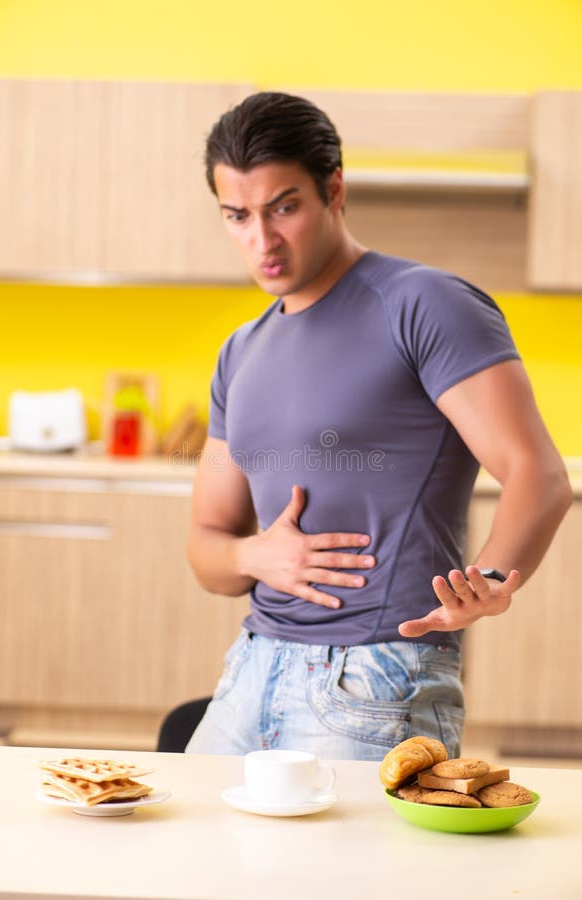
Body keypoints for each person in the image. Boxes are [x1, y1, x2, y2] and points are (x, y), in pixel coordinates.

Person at [184, 92, 572, 759]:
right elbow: (206, 545)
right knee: (184, 858)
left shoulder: (424, 305)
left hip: (375, 677)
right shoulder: (239, 351)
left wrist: (488, 582)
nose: (262, 240)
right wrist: (257, 555)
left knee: (346, 869)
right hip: (251, 665)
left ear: (334, 189)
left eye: (284, 207)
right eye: (237, 216)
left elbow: (539, 474)